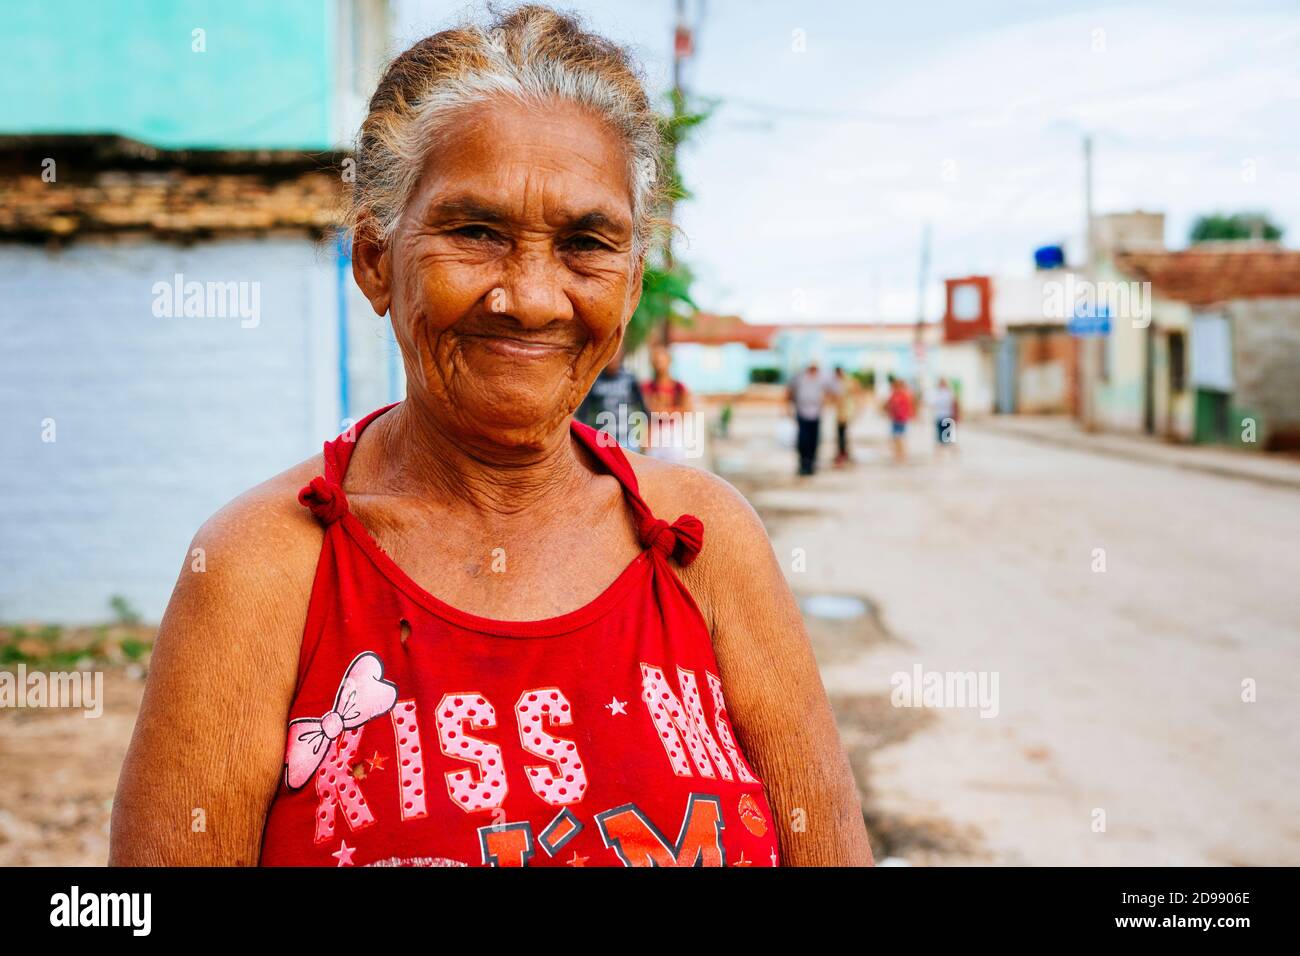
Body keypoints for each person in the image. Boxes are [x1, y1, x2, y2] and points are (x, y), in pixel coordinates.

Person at [108, 5, 871, 869]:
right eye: (476, 232)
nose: (533, 297)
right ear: (374, 261)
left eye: (586, 243)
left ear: (629, 290)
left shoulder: (703, 543)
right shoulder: (262, 569)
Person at [574, 345, 648, 452]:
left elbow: (644, 409)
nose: (614, 359)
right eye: (612, 355)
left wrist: (646, 437)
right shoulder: (594, 381)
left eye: (617, 355)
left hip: (629, 441)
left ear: (622, 356)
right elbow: (583, 414)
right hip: (604, 442)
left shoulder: (630, 379)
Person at [642, 342, 693, 462]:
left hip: (673, 434)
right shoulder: (648, 387)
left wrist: (663, 411)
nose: (659, 364)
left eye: (662, 360)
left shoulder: (679, 387)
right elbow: (650, 411)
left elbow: (687, 410)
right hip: (655, 433)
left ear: (669, 361)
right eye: (656, 361)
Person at [787, 361, 834, 476]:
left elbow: (831, 391)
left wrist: (826, 402)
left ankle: (811, 464)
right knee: (803, 440)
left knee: (814, 440)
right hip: (802, 412)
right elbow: (790, 392)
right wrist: (787, 407)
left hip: (816, 413)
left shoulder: (822, 378)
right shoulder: (800, 378)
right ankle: (803, 463)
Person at [884, 375, 914, 464]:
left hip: (902, 418)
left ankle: (901, 454)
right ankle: (898, 454)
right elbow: (888, 405)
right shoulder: (894, 394)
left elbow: (909, 406)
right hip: (895, 418)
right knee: (895, 437)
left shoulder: (904, 394)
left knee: (900, 437)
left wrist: (909, 415)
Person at [832, 366, 855, 466]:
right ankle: (842, 452)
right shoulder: (844, 381)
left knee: (842, 434)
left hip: (845, 412)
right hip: (842, 412)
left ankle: (842, 453)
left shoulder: (845, 382)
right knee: (841, 434)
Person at [931, 377, 958, 454]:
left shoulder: (944, 393)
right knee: (945, 436)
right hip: (943, 416)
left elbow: (953, 404)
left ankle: (942, 453)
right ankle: (944, 453)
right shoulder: (948, 393)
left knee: (945, 436)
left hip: (944, 416)